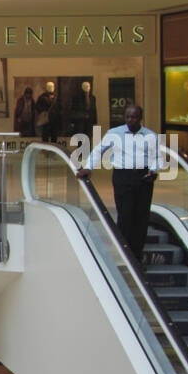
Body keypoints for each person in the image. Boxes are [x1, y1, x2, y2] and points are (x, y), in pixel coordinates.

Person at [76, 104, 160, 264]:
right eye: (127, 117)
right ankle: (124, 253)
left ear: (140, 118)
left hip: (144, 177)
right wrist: (88, 167)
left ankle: (136, 256)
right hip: (123, 176)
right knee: (125, 215)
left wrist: (154, 171)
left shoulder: (150, 135)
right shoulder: (114, 133)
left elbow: (157, 157)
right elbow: (98, 150)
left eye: (134, 117)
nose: (130, 120)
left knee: (141, 217)